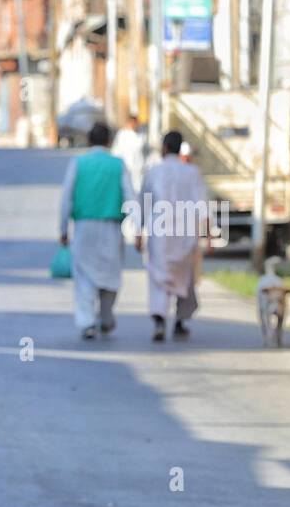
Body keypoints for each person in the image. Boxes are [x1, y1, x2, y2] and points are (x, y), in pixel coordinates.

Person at [59, 121, 137, 340]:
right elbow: (130, 197)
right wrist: (139, 228)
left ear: (89, 140)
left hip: (84, 228)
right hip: (112, 229)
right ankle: (106, 315)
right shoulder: (118, 165)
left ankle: (87, 322)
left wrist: (63, 229)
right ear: (110, 141)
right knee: (110, 276)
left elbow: (66, 199)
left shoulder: (78, 164)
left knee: (84, 277)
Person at [138, 130, 209, 342]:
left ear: (164, 148)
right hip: (186, 235)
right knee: (185, 278)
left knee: (158, 277)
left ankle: (159, 319)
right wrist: (210, 234)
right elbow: (202, 205)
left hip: (159, 235)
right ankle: (180, 320)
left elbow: (142, 204)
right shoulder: (192, 172)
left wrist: (138, 232)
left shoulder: (153, 172)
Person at [111, 114, 146, 191]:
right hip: (125, 167)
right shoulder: (121, 134)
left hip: (137, 170)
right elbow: (116, 151)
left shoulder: (140, 136)